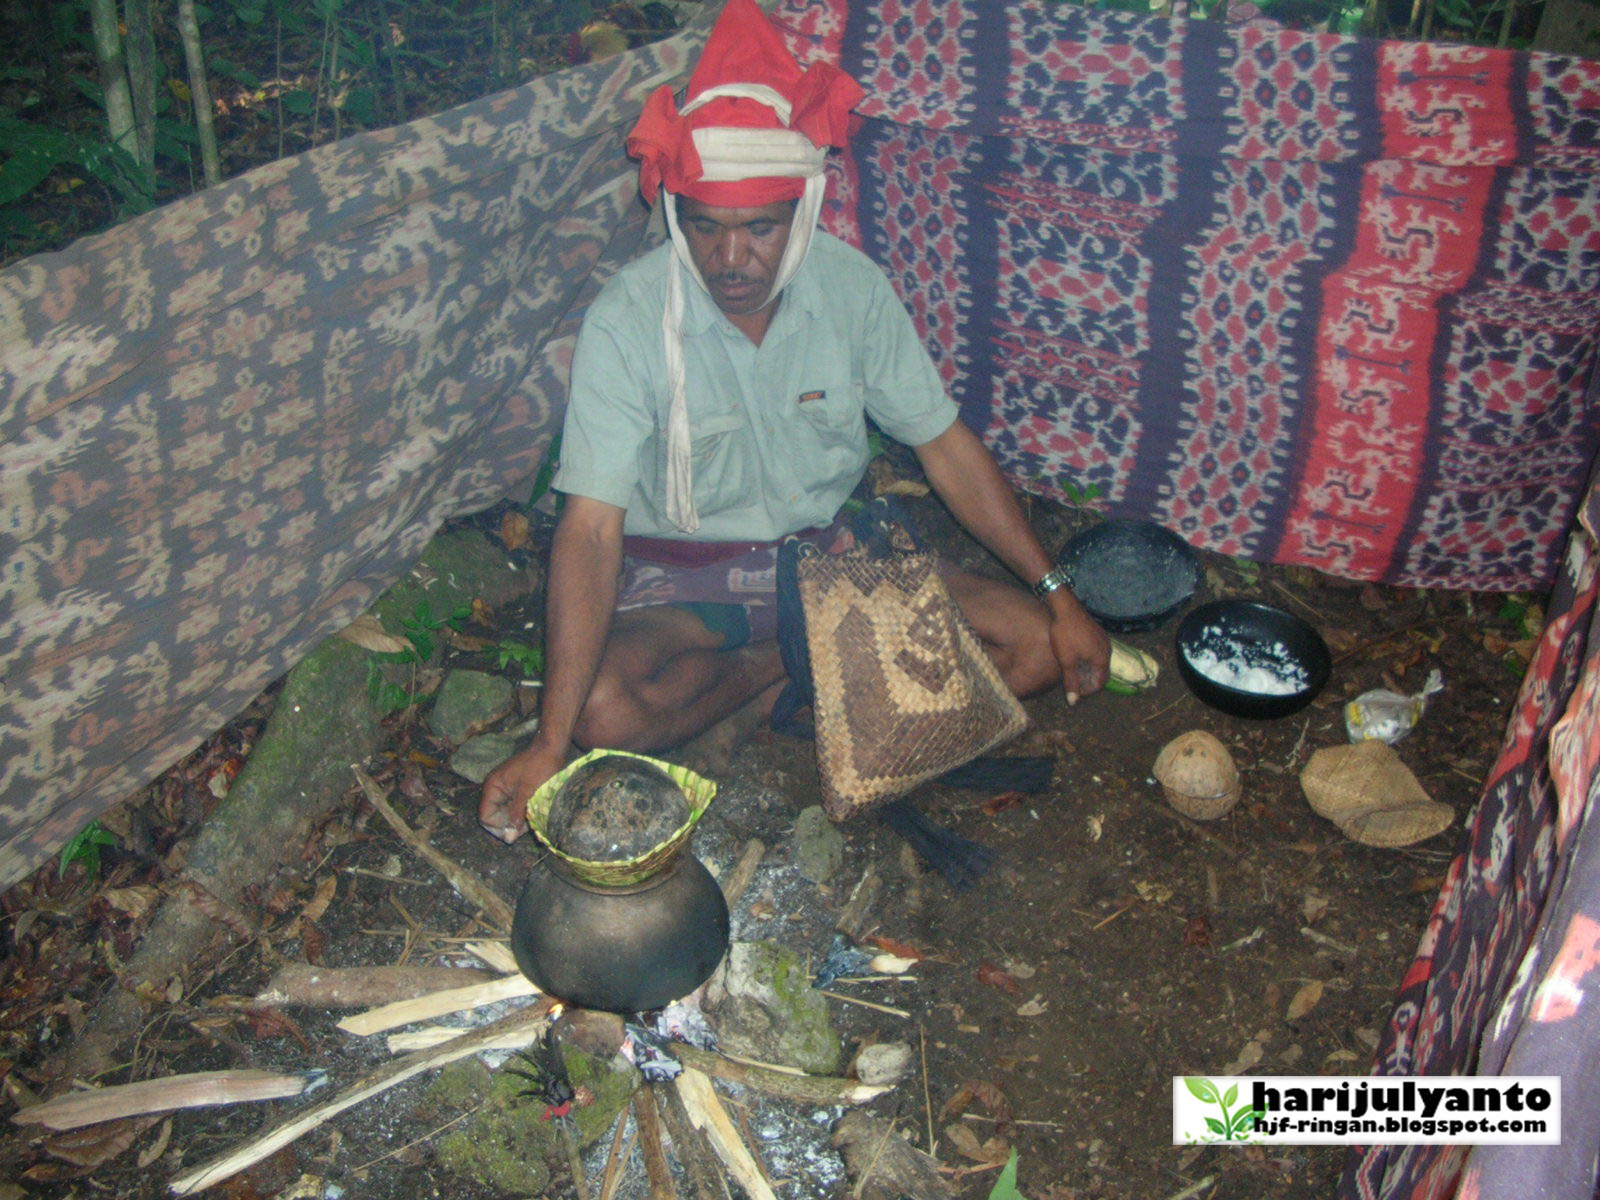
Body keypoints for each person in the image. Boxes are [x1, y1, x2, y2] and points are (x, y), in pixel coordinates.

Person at [478, 0, 1109, 843]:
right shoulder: (628, 320)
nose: (730, 260)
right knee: (603, 708)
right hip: (688, 582)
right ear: (676, 216)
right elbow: (591, 531)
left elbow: (944, 444)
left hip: (831, 564)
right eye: (705, 228)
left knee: (1034, 648)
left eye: (759, 229)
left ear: (802, 214)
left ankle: (789, 679)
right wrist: (548, 744)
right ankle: (793, 671)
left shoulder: (852, 292)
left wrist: (1056, 590)